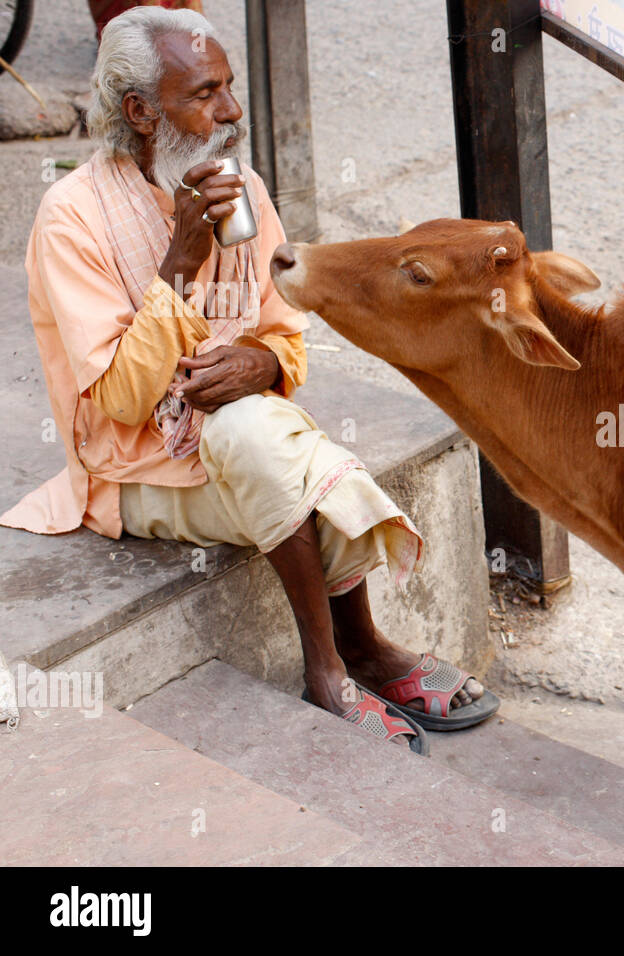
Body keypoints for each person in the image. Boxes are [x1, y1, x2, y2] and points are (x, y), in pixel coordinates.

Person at [1, 6, 497, 751]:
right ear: (139, 111)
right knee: (257, 432)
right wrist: (179, 261)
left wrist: (261, 362)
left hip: (243, 445)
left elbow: (285, 334)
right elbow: (120, 401)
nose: (231, 111)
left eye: (229, 87)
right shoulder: (70, 218)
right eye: (204, 93)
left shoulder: (243, 188)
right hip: (132, 467)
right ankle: (340, 659)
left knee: (254, 428)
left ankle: (349, 656)